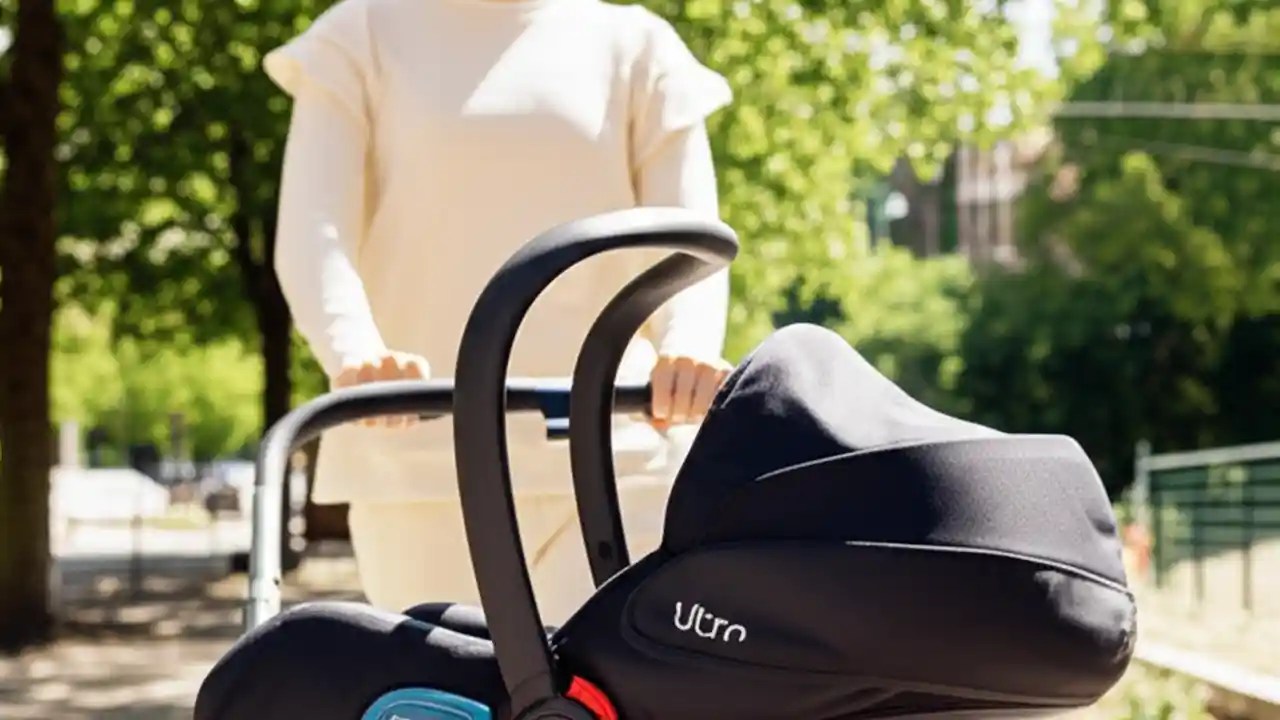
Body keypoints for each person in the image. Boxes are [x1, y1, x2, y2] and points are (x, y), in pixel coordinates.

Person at [264, 0, 735, 617]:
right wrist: (354, 352)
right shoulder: (360, 35)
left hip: (621, 448)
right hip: (422, 461)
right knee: (453, 677)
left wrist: (688, 346)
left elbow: (690, 239)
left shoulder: (638, 48)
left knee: (608, 676)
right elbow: (313, 232)